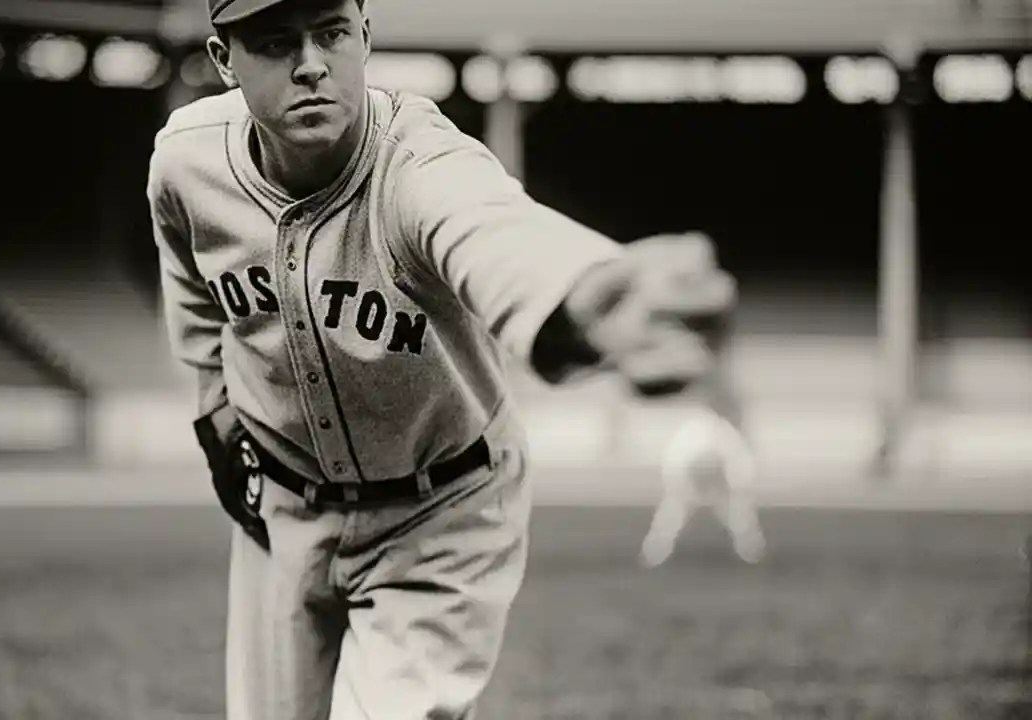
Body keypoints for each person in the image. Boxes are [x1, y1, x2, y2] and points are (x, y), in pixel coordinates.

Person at [147, 0, 736, 715]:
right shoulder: (187, 163)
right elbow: (194, 292)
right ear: (222, 62)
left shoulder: (419, 165)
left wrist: (585, 304)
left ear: (364, 36)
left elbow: (493, 233)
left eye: (331, 33)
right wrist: (213, 408)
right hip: (283, 513)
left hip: (439, 517)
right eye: (274, 43)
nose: (310, 65)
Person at [637, 367, 766, 568]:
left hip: (709, 479)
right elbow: (737, 465)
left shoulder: (707, 428)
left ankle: (750, 550)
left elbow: (735, 465)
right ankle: (656, 551)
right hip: (696, 476)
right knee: (679, 515)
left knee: (732, 516)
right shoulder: (707, 429)